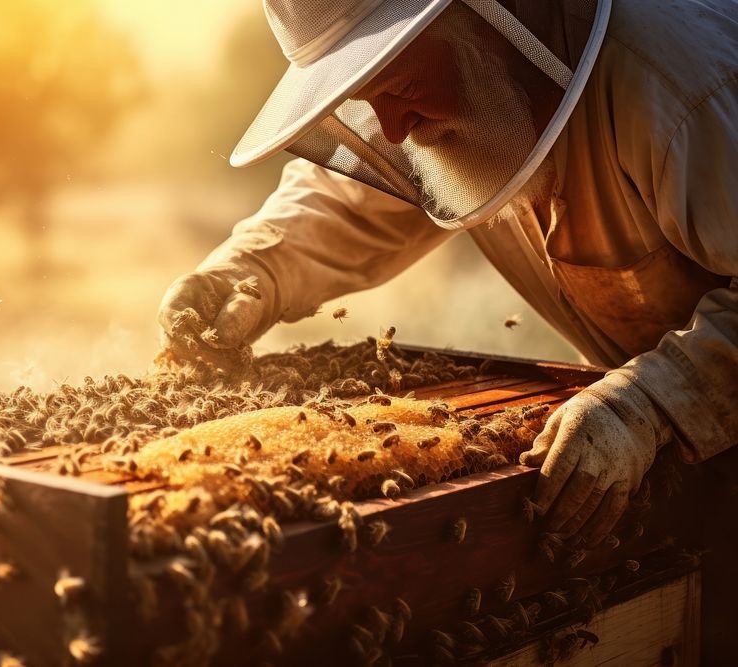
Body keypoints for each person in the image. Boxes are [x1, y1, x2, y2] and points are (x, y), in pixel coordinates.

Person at [158, 0, 736, 658]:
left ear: (495, 18)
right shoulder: (472, 81)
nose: (393, 128)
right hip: (679, 486)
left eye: (397, 86)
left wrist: (659, 401)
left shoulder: (685, 87)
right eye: (364, 96)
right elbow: (348, 200)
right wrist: (248, 270)